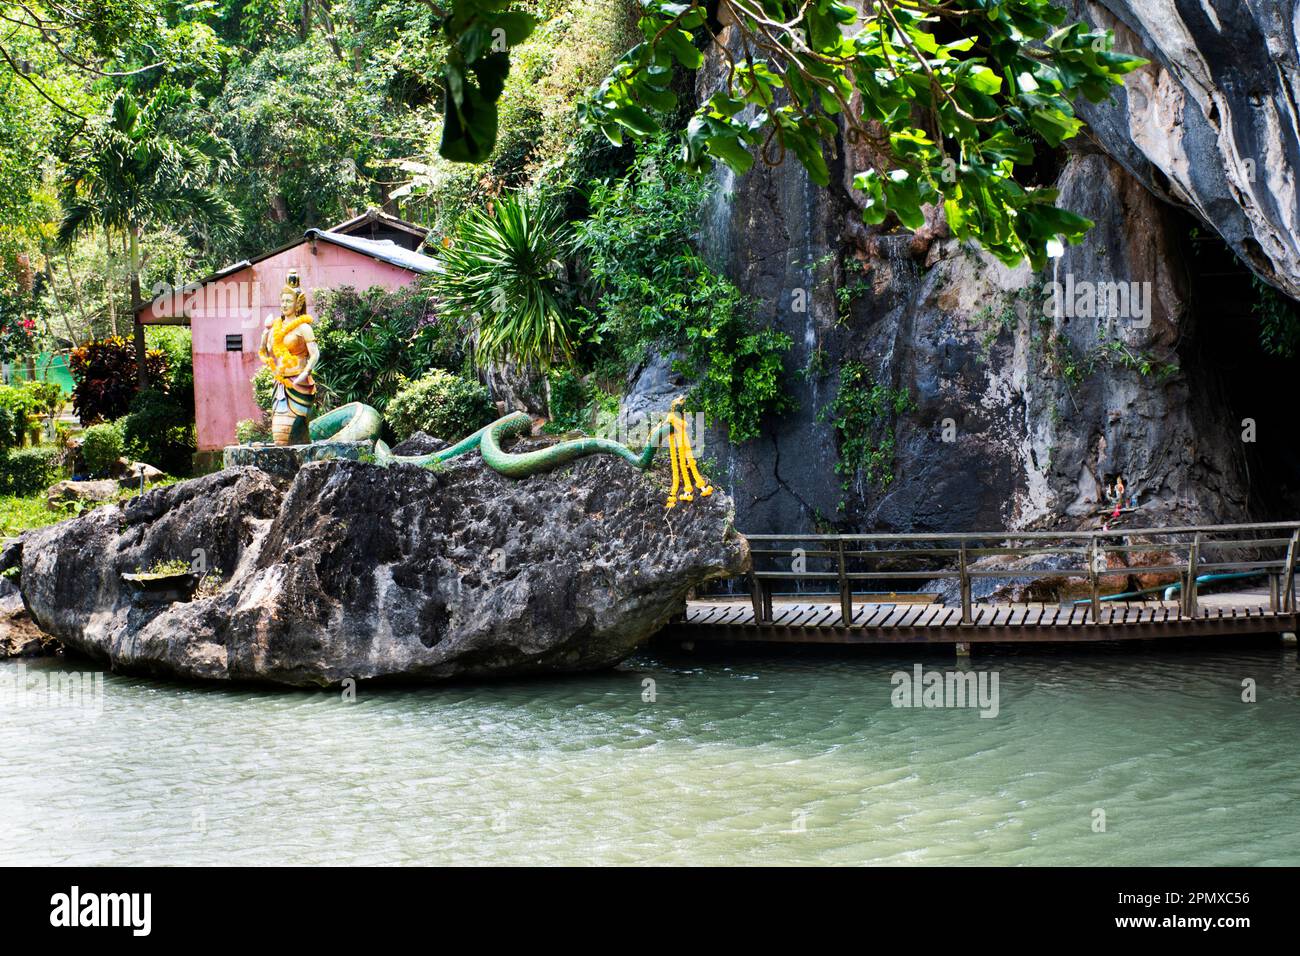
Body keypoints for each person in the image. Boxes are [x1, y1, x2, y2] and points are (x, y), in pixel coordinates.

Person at [257, 271, 320, 445]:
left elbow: (315, 354)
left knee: (295, 431)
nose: (284, 304)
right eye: (282, 301)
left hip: (299, 382)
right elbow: (268, 350)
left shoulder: (304, 327)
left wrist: (305, 373)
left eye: (288, 301)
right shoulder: (277, 326)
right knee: (280, 434)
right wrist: (264, 335)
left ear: (297, 303)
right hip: (281, 384)